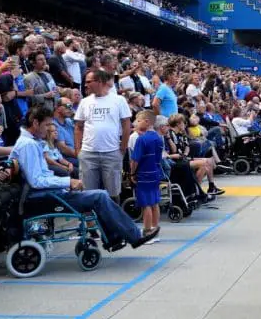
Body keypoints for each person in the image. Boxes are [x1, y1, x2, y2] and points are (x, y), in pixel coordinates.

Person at [9, 105, 158, 249]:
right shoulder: (28, 145)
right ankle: (133, 236)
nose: (49, 129)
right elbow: (36, 181)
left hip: (49, 193)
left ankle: (114, 237)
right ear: (35, 123)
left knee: (101, 195)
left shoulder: (33, 143)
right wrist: (68, 181)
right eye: (47, 125)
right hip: (43, 197)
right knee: (99, 196)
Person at [74, 69, 131, 203]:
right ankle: (91, 223)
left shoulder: (119, 100)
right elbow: (78, 127)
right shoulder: (85, 102)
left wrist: (122, 149)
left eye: (89, 82)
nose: (86, 85)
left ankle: (112, 222)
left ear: (100, 81)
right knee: (87, 194)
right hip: (88, 154)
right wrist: (78, 151)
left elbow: (126, 125)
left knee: (113, 193)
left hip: (111, 153)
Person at [130, 110, 163, 241]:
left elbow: (135, 160)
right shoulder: (159, 138)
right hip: (155, 172)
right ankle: (155, 229)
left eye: (139, 120)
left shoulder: (141, 139)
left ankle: (147, 231)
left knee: (146, 204)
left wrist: (132, 173)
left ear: (147, 122)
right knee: (154, 202)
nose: (136, 123)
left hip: (144, 174)